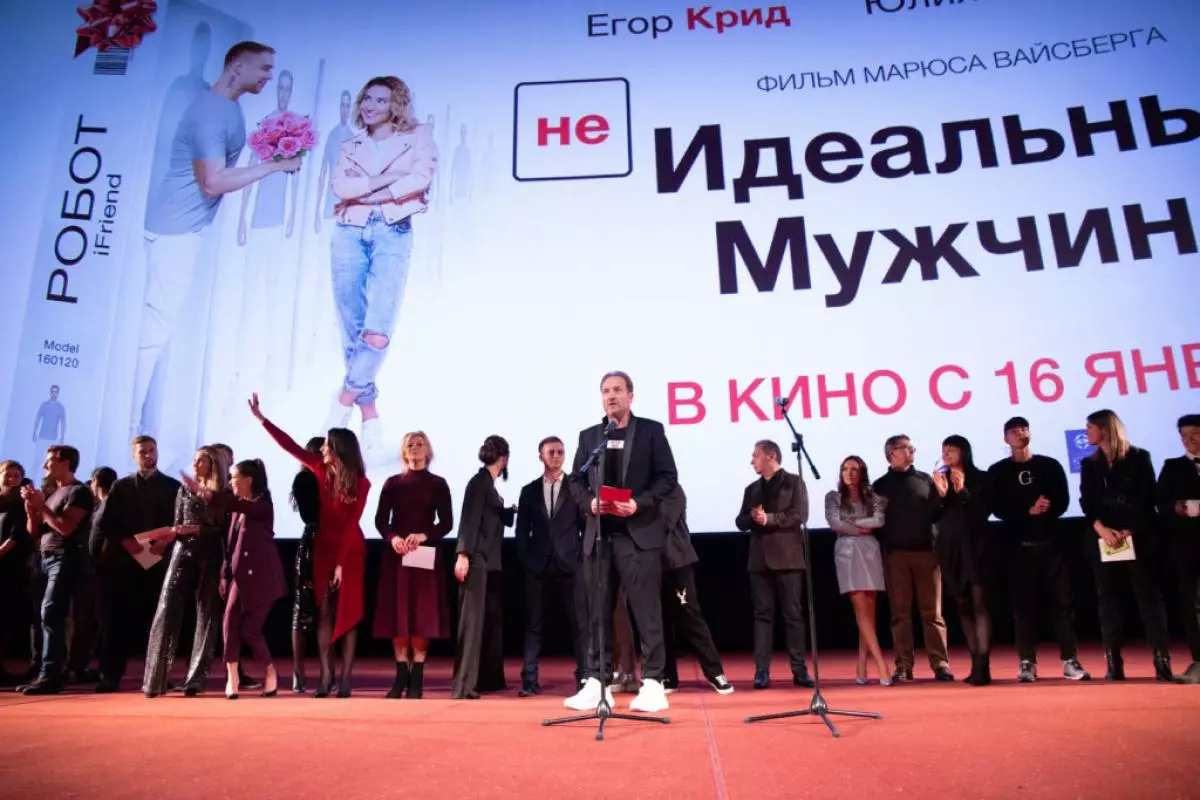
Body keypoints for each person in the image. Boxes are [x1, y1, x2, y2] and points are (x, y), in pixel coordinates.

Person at [134, 41, 300, 470]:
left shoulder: (229, 109)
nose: (267, 76)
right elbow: (211, 181)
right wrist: (274, 167)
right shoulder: (211, 110)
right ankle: (132, 439)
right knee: (152, 338)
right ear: (236, 65)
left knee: (160, 337)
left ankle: (140, 435)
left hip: (184, 230)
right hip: (176, 231)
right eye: (263, 68)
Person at [326, 75, 437, 454]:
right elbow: (340, 188)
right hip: (349, 229)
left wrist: (373, 188)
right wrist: (390, 179)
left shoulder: (419, 135)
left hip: (392, 229)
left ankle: (344, 400)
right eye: (366, 99)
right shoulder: (349, 145)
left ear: (396, 105)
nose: (370, 106)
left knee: (377, 328)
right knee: (350, 323)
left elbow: (421, 178)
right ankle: (369, 411)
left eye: (380, 100)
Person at [565, 371, 678, 714]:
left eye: (617, 390)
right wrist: (589, 503)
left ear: (631, 395)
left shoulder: (651, 431)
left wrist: (639, 503)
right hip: (600, 536)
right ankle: (597, 683)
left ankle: (654, 682)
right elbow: (576, 480)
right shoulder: (589, 437)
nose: (611, 396)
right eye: (605, 391)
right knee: (598, 614)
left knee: (646, 611)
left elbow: (668, 478)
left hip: (637, 535)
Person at [250, 393, 368, 698]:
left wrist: (341, 564)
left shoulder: (361, 482)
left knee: (349, 611)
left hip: (349, 550)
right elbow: (289, 445)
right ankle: (326, 676)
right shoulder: (318, 469)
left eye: (328, 444)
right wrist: (263, 420)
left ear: (339, 448)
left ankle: (346, 678)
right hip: (323, 550)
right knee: (325, 611)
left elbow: (350, 525)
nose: (322, 448)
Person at [987, 417, 1089, 682]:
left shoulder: (1049, 465)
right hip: (1017, 549)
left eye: (1023, 429)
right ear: (1005, 438)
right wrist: (1026, 511)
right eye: (1013, 431)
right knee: (1023, 607)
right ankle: (1026, 662)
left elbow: (1064, 501)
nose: (1020, 433)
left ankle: (1069, 660)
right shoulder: (997, 471)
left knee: (1063, 605)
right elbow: (997, 508)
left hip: (1052, 545)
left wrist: (1048, 508)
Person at [1080, 409, 1172, 681]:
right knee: (1107, 600)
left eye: (1090, 428)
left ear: (1105, 429)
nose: (1087, 433)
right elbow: (1087, 502)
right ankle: (1113, 661)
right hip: (1103, 538)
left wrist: (1129, 530)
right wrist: (1102, 529)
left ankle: (1161, 658)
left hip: (1137, 536)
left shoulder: (1139, 458)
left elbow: (1148, 497)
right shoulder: (1090, 464)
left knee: (1148, 597)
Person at [183, 459, 286, 699]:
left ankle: (270, 671)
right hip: (238, 578)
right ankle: (233, 677)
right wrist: (224, 575)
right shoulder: (238, 512)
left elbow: (235, 503)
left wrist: (205, 493)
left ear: (248, 480)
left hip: (263, 579)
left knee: (251, 630)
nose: (231, 482)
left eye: (234, 477)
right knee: (229, 623)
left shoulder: (261, 507)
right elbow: (230, 546)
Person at [142, 446, 230, 697]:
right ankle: (155, 679)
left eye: (201, 461)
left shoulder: (222, 493)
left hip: (211, 553)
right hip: (182, 552)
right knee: (166, 608)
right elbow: (178, 520)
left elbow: (224, 529)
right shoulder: (183, 489)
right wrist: (175, 532)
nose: (195, 465)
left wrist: (198, 530)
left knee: (207, 613)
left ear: (212, 465)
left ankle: (196, 678)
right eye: (194, 460)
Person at [94, 436, 180, 692]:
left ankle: (158, 676)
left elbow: (177, 521)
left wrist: (163, 543)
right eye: (142, 452)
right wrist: (128, 543)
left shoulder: (172, 486)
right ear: (134, 455)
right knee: (117, 622)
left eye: (152, 450)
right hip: (124, 564)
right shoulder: (121, 486)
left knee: (156, 622)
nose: (148, 455)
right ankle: (110, 677)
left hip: (158, 562)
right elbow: (107, 523)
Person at [374, 431, 454, 699]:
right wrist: (393, 538)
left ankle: (417, 676)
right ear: (403, 451)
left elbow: (446, 523)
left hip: (424, 556)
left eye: (420, 444)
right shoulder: (392, 484)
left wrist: (424, 535)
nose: (415, 448)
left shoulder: (438, 484)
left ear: (428, 450)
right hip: (397, 558)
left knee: (421, 615)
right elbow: (381, 521)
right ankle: (400, 676)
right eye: (410, 444)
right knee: (398, 616)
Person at [872, 434, 952, 683]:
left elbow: (936, 514)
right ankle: (904, 665)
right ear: (891, 453)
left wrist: (942, 494)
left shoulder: (925, 480)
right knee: (900, 614)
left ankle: (940, 664)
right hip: (896, 556)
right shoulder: (880, 485)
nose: (910, 451)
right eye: (904, 448)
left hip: (927, 554)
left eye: (911, 447)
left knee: (933, 614)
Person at [736, 439, 813, 690]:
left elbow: (799, 515)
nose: (751, 460)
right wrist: (752, 517)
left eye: (755, 456)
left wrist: (769, 518)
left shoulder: (793, 482)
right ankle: (761, 672)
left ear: (770, 456)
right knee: (762, 617)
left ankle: (799, 670)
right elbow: (740, 520)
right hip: (759, 561)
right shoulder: (751, 489)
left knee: (793, 616)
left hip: (788, 559)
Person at [514, 436, 587, 697]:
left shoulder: (576, 488)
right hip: (538, 566)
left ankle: (585, 680)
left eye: (560, 451)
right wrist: (527, 559)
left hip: (570, 564)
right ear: (541, 456)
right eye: (551, 452)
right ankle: (530, 680)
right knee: (534, 625)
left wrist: (580, 557)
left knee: (579, 624)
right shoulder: (529, 490)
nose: (557, 455)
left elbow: (585, 526)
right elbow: (521, 531)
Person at [21, 446, 95, 695]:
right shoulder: (53, 493)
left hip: (65, 558)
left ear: (66, 463)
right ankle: (46, 671)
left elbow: (65, 529)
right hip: (43, 558)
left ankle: (50, 675)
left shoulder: (79, 492)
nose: (45, 466)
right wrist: (31, 509)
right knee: (43, 617)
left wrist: (42, 507)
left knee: (52, 614)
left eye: (50, 461)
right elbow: (34, 532)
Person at [451, 436, 512, 699]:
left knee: (479, 624)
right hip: (475, 560)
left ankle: (474, 682)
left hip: (484, 562)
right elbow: (469, 519)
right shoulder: (479, 483)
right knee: (471, 625)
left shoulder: (487, 484)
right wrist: (463, 554)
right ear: (504, 459)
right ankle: (463, 685)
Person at [660, 485, 733, 695]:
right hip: (650, 564)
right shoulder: (642, 488)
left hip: (677, 562)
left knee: (691, 617)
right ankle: (668, 676)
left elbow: (665, 522)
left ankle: (715, 672)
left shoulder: (671, 489)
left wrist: (636, 510)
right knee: (659, 621)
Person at [824, 456, 891, 686]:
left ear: (862, 472)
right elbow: (835, 523)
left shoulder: (873, 497)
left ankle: (861, 664)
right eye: (845, 468)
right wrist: (861, 526)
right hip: (847, 552)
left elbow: (879, 521)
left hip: (870, 551)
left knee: (870, 612)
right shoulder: (833, 497)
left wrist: (852, 523)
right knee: (860, 610)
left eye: (854, 469)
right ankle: (882, 664)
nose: (849, 473)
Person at [932, 436, 993, 686]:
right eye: (944, 449)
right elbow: (932, 515)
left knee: (979, 604)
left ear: (964, 451)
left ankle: (983, 665)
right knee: (962, 604)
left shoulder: (981, 477)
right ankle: (975, 660)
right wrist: (942, 494)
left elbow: (984, 511)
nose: (946, 453)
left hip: (976, 547)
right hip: (950, 549)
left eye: (952, 449)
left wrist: (962, 491)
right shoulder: (939, 480)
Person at [1157, 413, 1200, 684]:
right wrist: (1182, 507)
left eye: (1194, 434)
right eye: (1183, 436)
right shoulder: (1173, 467)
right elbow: (1162, 504)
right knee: (1192, 605)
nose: (1189, 441)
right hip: (1187, 547)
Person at [65, 466, 117, 685]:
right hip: (94, 569)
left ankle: (96, 669)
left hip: (102, 570)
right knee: (88, 621)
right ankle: (79, 667)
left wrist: (99, 563)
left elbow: (109, 539)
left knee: (96, 621)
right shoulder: (100, 507)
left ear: (95, 481)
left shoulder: (109, 508)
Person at [289, 437, 323, 693]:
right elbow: (312, 513)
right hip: (313, 543)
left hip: (332, 544)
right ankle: (298, 671)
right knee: (303, 609)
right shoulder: (305, 480)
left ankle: (327, 671)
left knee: (328, 610)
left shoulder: (338, 478)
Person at [0, 461, 33, 685]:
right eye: (7, 475)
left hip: (10, 569)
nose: (12, 479)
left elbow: (17, 535)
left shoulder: (21, 505)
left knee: (5, 620)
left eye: (16, 476)